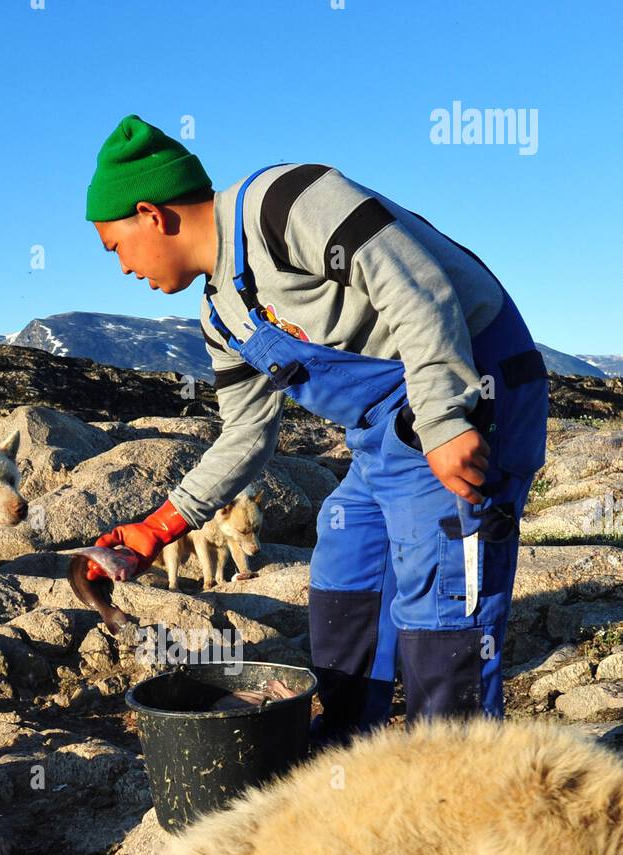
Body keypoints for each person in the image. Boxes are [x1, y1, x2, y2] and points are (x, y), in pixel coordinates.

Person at [84, 113, 549, 745]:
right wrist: (158, 527)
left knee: (443, 612)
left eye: (116, 246)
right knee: (343, 577)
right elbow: (245, 434)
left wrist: (444, 419)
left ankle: (455, 792)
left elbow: (416, 286)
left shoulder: (285, 201)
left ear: (151, 213)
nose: (123, 268)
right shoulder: (223, 316)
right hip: (384, 437)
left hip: (471, 389)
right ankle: (347, 762)